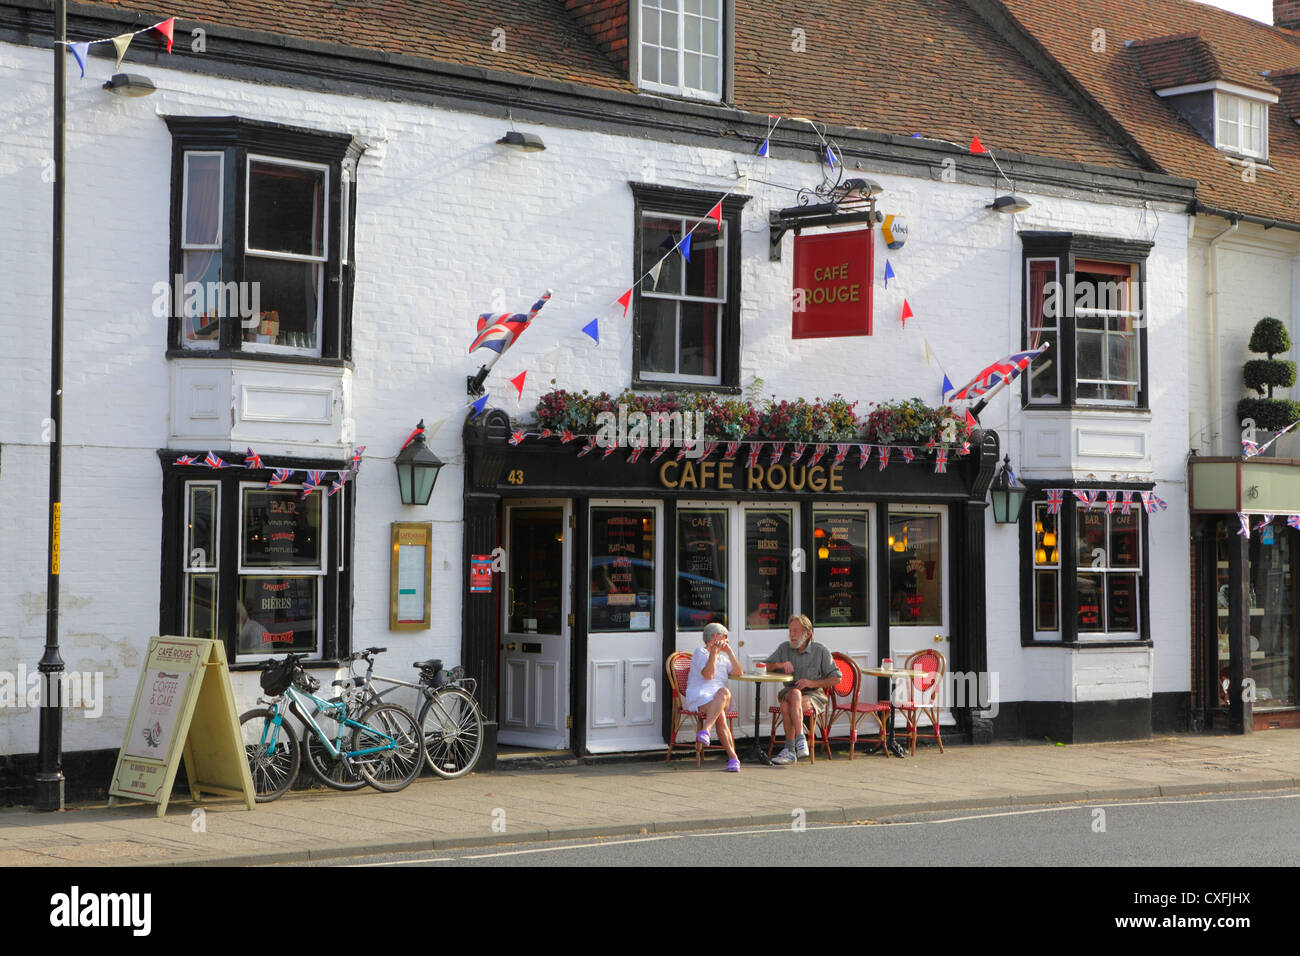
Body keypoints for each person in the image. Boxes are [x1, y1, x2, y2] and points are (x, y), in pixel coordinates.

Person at [766, 614, 839, 765]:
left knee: (787, 704)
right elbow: (763, 666)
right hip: (790, 693)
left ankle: (790, 750)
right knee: (793, 694)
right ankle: (801, 739)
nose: (792, 635)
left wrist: (811, 683)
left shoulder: (820, 651)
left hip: (813, 696)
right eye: (790, 631)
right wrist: (780, 665)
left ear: (808, 633)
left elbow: (836, 678)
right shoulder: (784, 648)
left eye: (796, 631)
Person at [683, 622, 742, 772]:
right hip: (701, 697)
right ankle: (733, 758)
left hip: (720, 698)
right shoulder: (700, 653)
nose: (727, 640)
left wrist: (729, 653)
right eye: (725, 637)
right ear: (716, 637)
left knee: (724, 692)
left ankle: (706, 730)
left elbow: (738, 672)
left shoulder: (724, 659)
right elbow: (708, 675)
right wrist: (714, 653)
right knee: (720, 715)